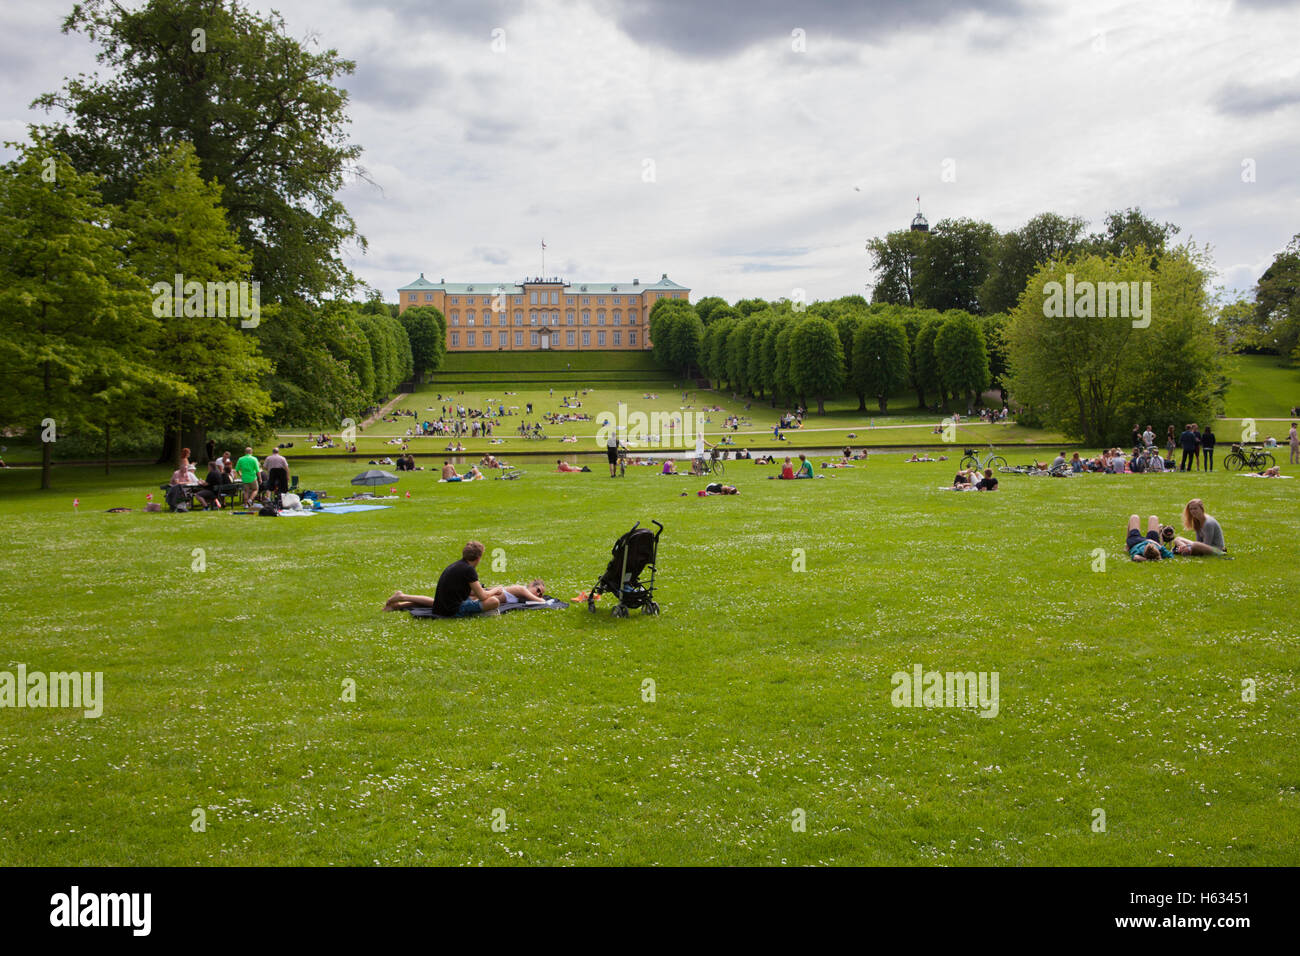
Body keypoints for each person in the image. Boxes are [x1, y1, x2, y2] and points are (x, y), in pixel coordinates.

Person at [383, 541, 502, 616]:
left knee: (472, 598)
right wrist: (495, 590)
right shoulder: (469, 570)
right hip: (451, 611)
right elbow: (483, 596)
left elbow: (470, 591)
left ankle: (401, 600)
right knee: (494, 601)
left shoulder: (457, 565)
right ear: (478, 558)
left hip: (440, 606)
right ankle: (401, 599)